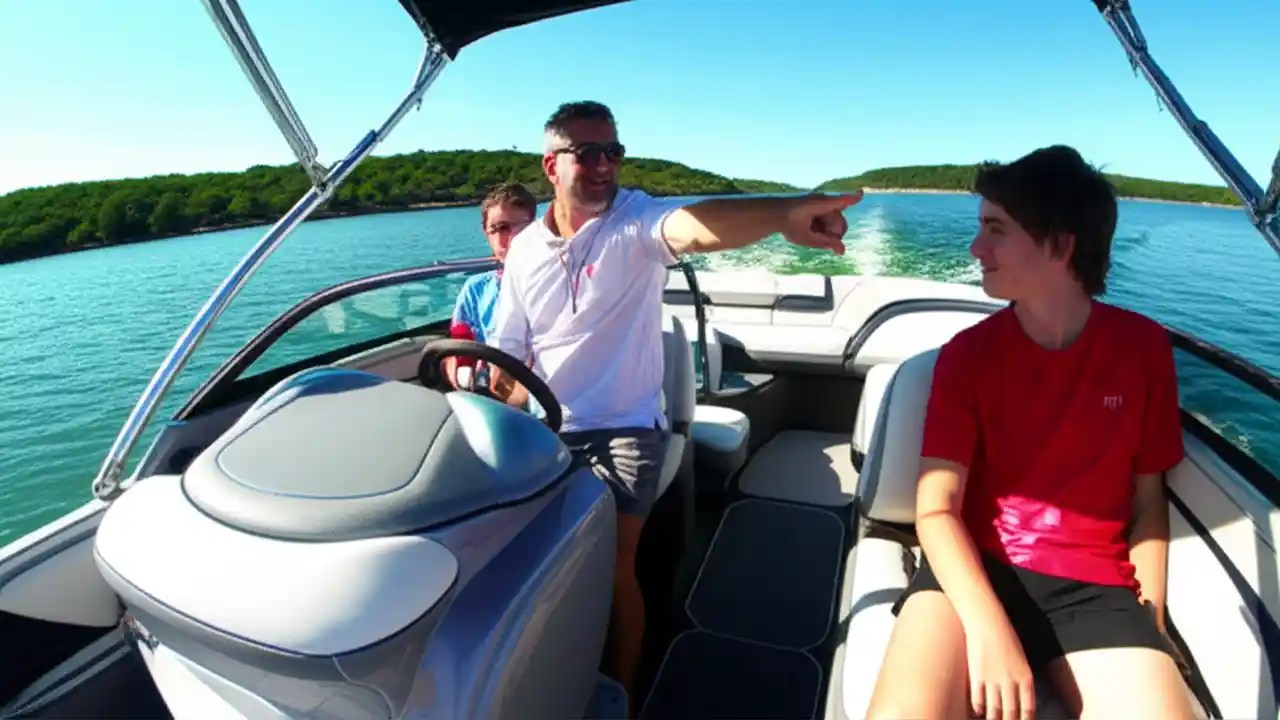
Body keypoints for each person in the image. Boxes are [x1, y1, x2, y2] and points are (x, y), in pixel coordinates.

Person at [485, 100, 860, 711]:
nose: (606, 165)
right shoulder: (524, 250)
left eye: (615, 151)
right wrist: (486, 393)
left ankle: (625, 691)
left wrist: (785, 215)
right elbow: (511, 352)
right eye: (590, 153)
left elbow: (693, 224)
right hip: (549, 432)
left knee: (608, 561)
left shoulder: (634, 222)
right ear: (552, 164)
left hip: (627, 430)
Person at [865, 145, 1196, 720]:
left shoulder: (1142, 349)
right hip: (973, 568)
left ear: (1061, 245)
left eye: (995, 229)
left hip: (1096, 586)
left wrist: (1152, 625)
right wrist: (990, 629)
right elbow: (937, 511)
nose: (975, 248)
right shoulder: (967, 356)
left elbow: (1149, 503)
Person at [444, 182, 537, 393]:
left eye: (522, 228)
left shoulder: (562, 283)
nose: (513, 238)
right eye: (500, 229)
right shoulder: (475, 291)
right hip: (494, 397)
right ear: (487, 234)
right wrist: (462, 373)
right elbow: (460, 348)